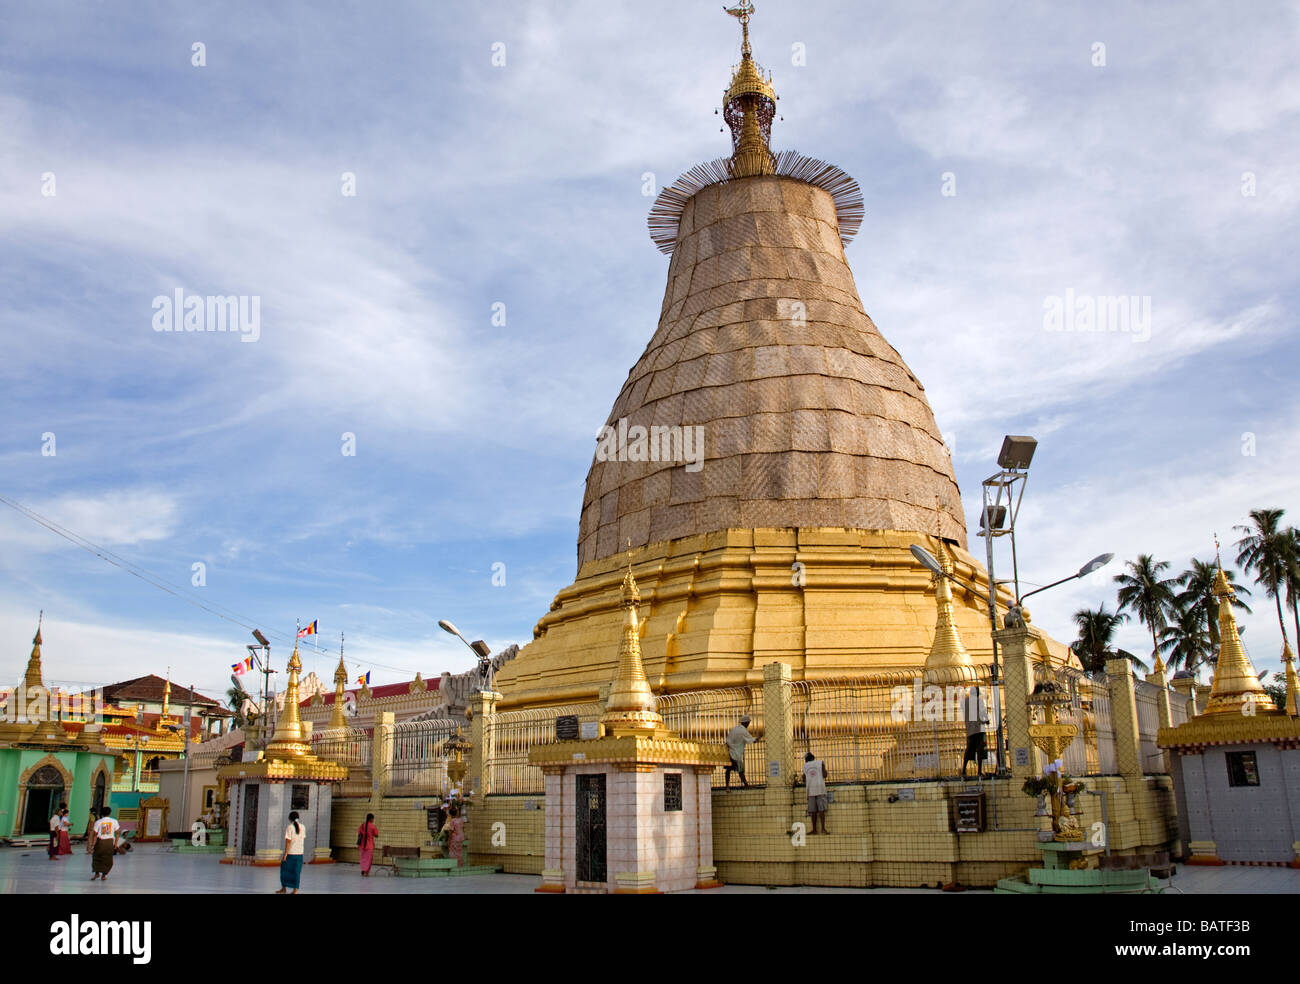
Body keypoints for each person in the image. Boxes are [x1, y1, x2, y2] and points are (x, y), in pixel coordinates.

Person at [962, 685, 990, 779]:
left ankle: (963, 770)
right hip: (979, 728)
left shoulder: (964, 702)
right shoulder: (979, 701)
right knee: (980, 750)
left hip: (970, 729)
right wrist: (987, 721)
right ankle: (979, 772)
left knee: (969, 750)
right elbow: (982, 713)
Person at [276, 811, 305, 894]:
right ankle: (295, 890)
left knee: (284, 871)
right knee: (296, 872)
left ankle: (283, 888)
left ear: (290, 819)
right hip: (300, 853)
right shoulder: (303, 827)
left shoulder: (290, 827)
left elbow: (288, 841)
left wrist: (285, 854)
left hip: (291, 853)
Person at [724, 715, 756, 788]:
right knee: (740, 770)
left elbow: (728, 740)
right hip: (736, 754)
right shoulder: (744, 731)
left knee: (728, 770)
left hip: (729, 752)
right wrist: (757, 739)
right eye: (748, 722)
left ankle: (727, 786)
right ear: (746, 723)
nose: (748, 724)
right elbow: (751, 740)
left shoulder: (734, 729)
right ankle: (746, 785)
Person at [90, 806, 119, 881]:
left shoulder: (98, 822)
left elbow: (95, 834)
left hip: (100, 842)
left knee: (97, 857)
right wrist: (116, 843)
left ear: (102, 813)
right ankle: (104, 875)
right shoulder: (114, 821)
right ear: (110, 813)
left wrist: (93, 844)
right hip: (109, 842)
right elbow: (117, 833)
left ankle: (96, 873)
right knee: (108, 859)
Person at [803, 751, 829, 834]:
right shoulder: (820, 763)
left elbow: (804, 778)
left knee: (813, 811)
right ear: (813, 757)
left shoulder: (805, 766)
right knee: (821, 810)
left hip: (811, 790)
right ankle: (823, 829)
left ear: (806, 760)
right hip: (820, 789)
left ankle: (814, 829)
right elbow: (825, 775)